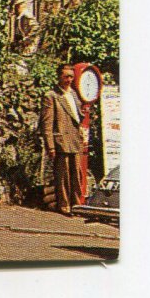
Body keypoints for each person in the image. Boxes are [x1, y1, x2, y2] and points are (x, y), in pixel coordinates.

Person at [41, 62, 88, 215]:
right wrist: (51, 146)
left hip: (75, 140)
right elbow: (47, 123)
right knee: (63, 175)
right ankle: (64, 205)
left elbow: (78, 116)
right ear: (59, 77)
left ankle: (76, 204)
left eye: (71, 77)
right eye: (66, 76)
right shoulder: (51, 96)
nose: (69, 80)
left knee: (77, 173)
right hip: (61, 141)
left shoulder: (73, 94)